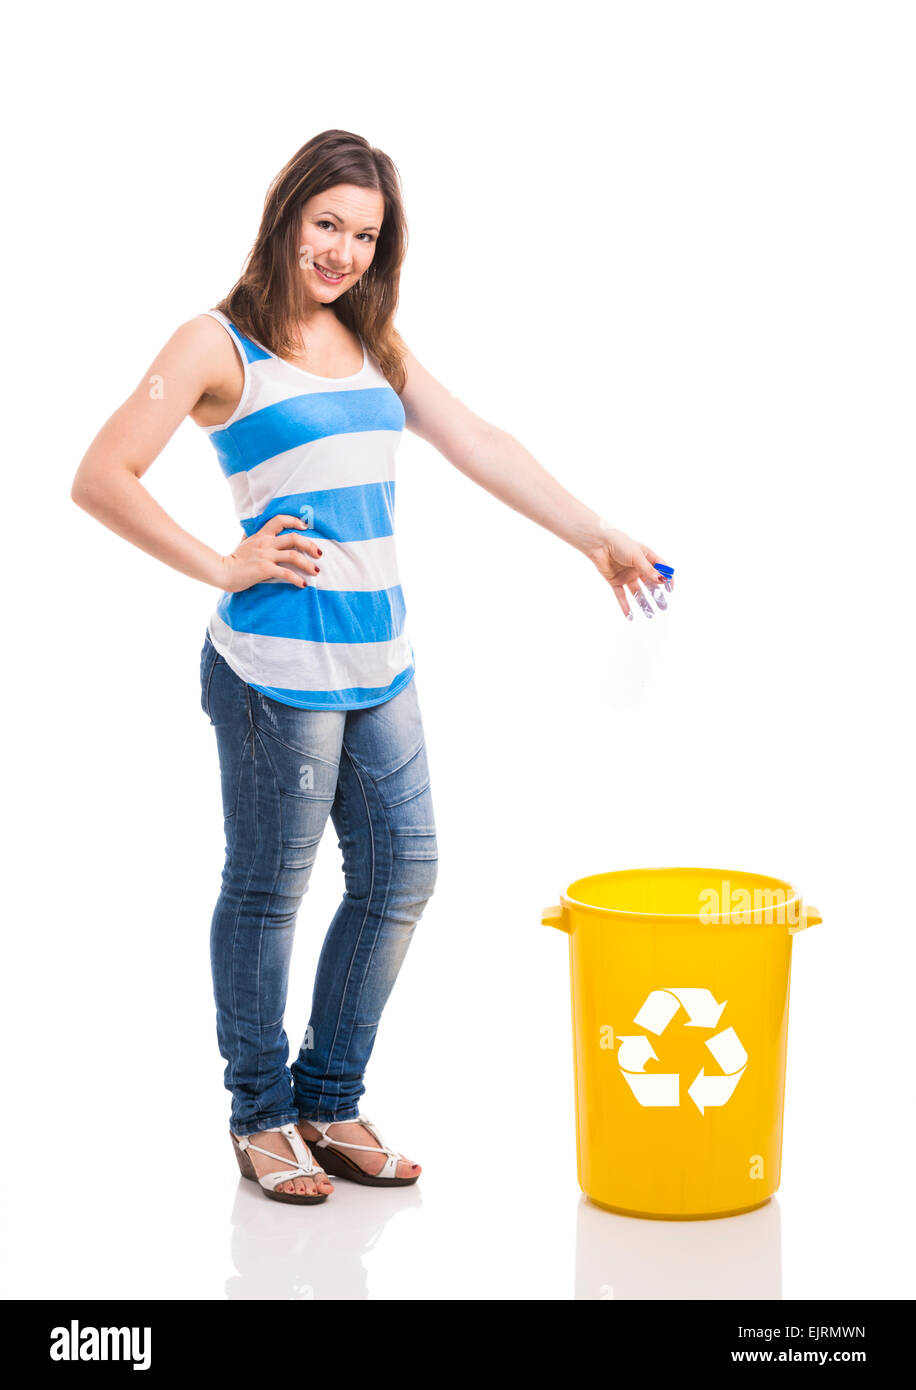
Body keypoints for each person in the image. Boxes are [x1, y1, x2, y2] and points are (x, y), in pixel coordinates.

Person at [71, 128, 669, 1206]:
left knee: (403, 873)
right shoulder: (215, 346)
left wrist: (595, 535)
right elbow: (100, 473)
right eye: (327, 224)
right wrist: (221, 559)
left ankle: (328, 1098)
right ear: (287, 212)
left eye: (365, 234)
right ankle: (260, 1116)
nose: (343, 251)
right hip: (274, 670)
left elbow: (480, 439)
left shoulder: (372, 337)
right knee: (269, 891)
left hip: (379, 661)